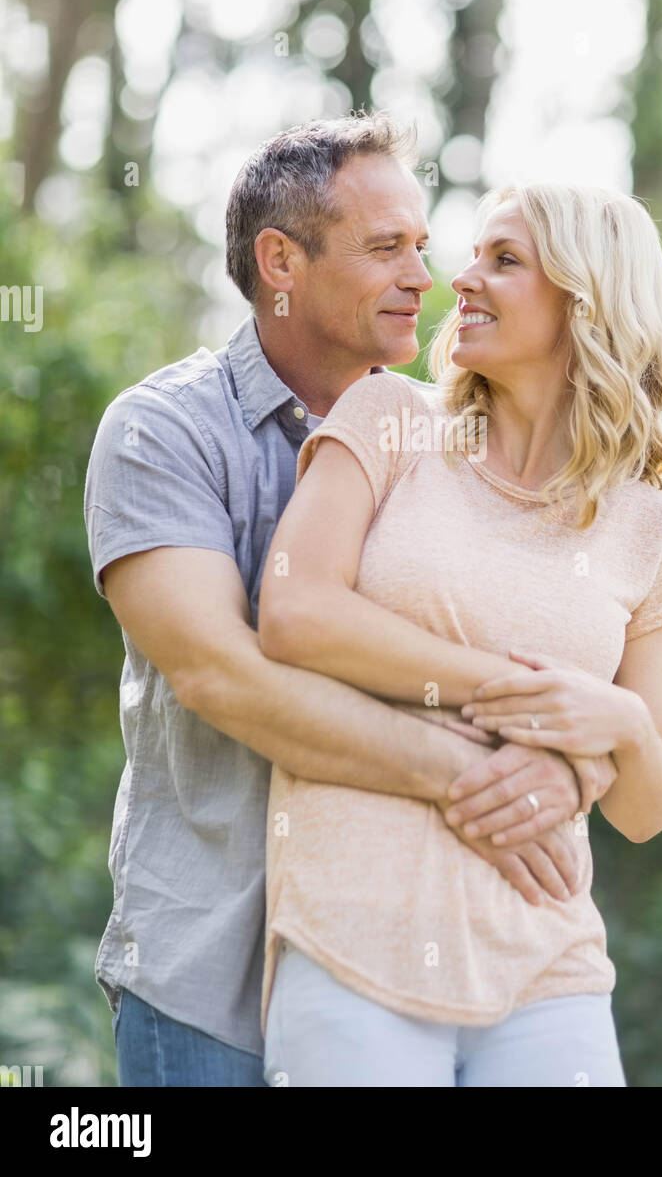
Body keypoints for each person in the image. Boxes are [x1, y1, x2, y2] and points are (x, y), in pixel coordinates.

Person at [83, 114, 608, 1086]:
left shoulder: (457, 443)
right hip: (211, 981)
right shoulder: (160, 433)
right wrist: (472, 774)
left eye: (422, 244)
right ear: (280, 260)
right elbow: (220, 675)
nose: (427, 276)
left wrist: (569, 773)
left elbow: (567, 654)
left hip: (409, 973)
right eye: (384, 249)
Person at [257, 180, 662, 1087]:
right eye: (473, 255)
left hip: (551, 970)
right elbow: (294, 609)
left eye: (504, 261)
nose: (459, 279)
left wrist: (615, 724)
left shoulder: (651, 527)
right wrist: (520, 696)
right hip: (355, 947)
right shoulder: (390, 419)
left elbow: (646, 804)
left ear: (589, 299)